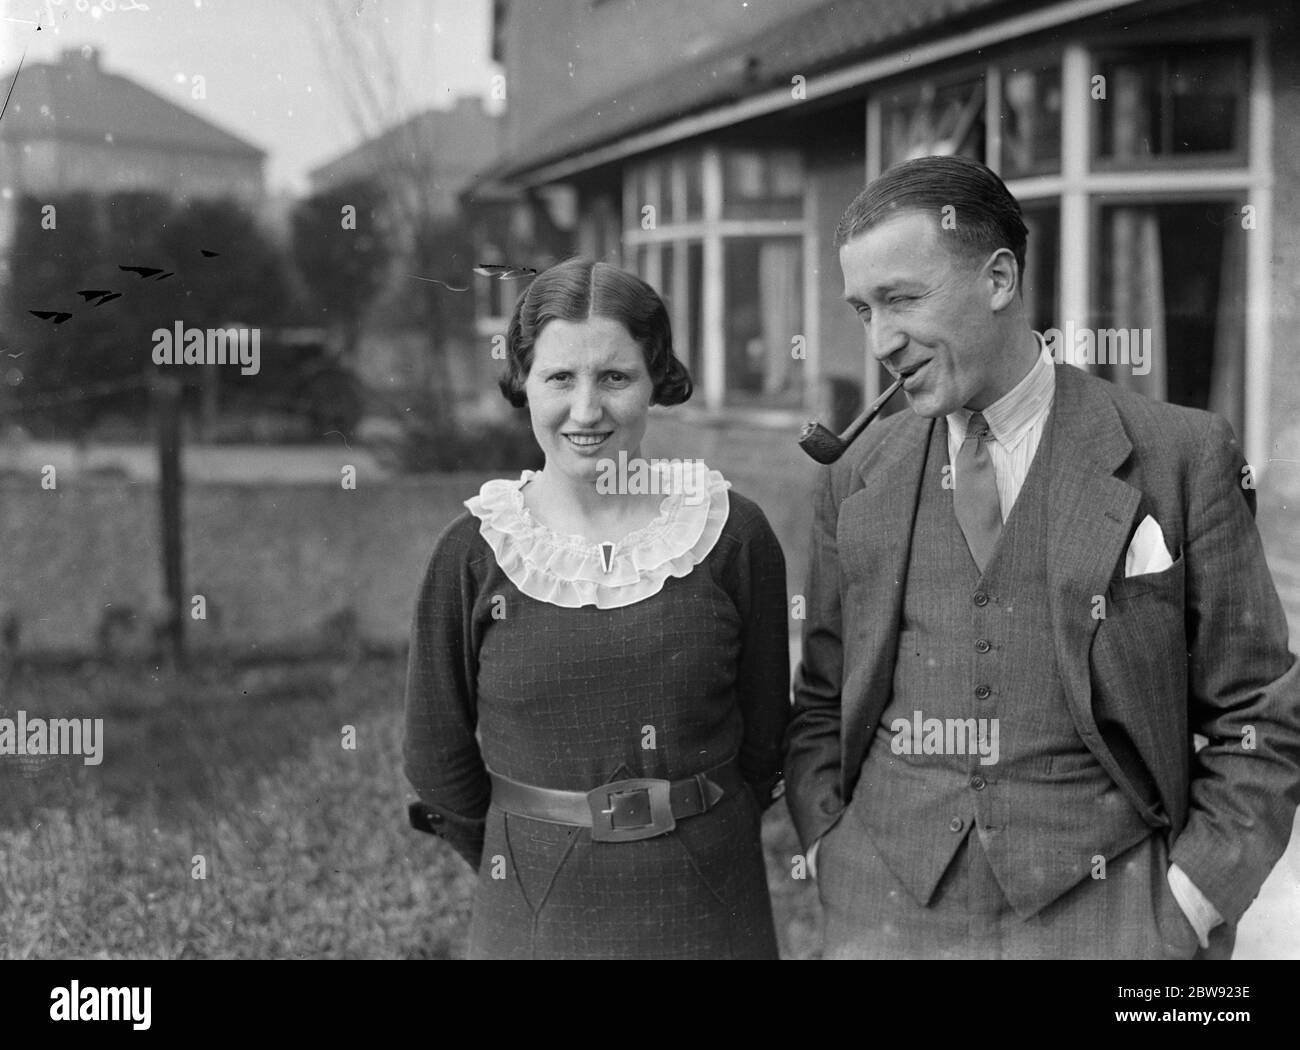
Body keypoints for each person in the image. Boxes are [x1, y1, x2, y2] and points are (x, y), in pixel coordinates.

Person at [784, 155, 1300, 959]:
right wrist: (829, 847)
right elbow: (820, 697)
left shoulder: (1180, 454)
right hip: (883, 913)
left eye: (902, 299)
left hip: (1115, 917)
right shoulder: (856, 474)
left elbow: (1259, 714)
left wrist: (1191, 901)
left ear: (998, 279)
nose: (881, 340)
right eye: (862, 310)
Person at [403, 257, 790, 959]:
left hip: (709, 902)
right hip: (536, 909)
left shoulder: (732, 535)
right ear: (524, 381)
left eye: (615, 377)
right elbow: (436, 760)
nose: (586, 411)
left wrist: (699, 828)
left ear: (655, 381)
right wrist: (530, 853)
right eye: (560, 378)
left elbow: (766, 739)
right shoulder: (473, 553)